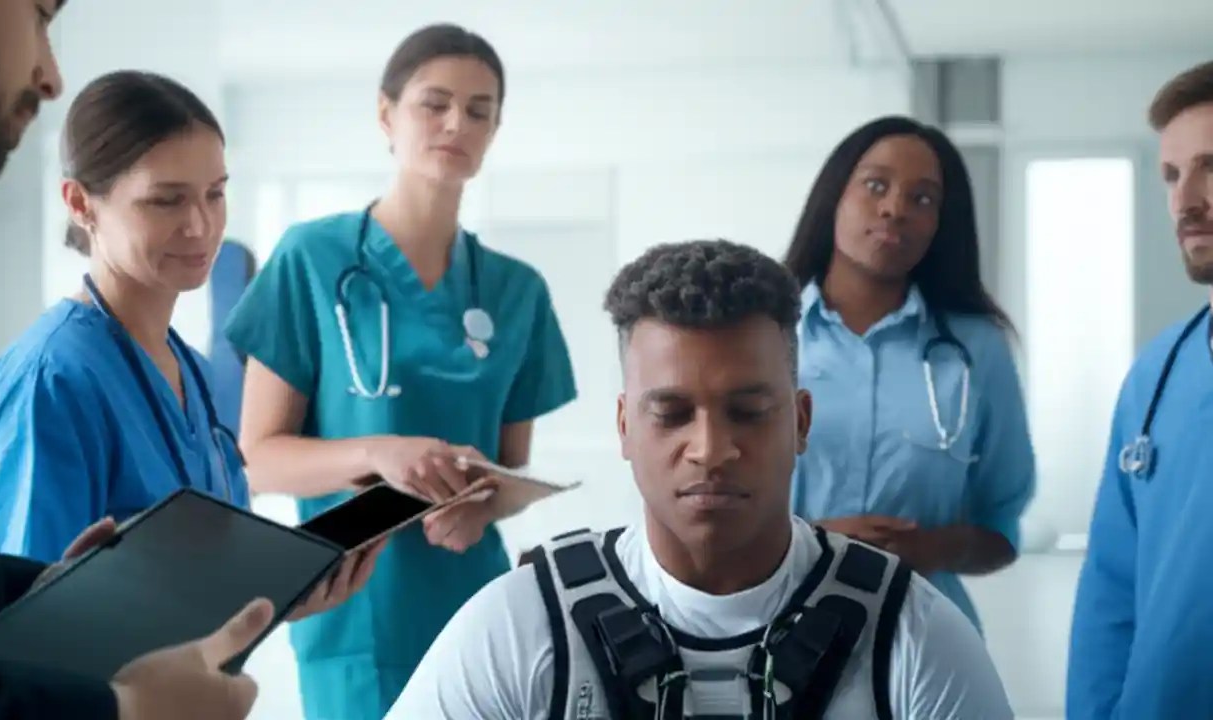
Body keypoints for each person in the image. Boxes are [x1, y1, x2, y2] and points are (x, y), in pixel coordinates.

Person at [386, 239, 1014, 719]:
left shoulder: (912, 636)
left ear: (799, 422)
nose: (711, 450)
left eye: (747, 412)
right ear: (626, 427)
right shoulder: (519, 625)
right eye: (671, 414)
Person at [0, 1, 285, 718]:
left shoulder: (191, 372)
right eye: (165, 201)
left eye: (216, 195)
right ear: (81, 204)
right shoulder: (53, 377)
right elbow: (10, 645)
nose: (200, 226)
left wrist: (281, 595)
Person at [223, 23, 578, 719]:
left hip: (477, 598)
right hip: (356, 605)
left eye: (480, 110)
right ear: (386, 114)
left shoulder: (518, 291)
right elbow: (257, 461)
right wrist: (377, 452)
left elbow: (511, 473)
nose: (457, 123)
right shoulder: (311, 259)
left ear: (496, 129)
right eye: (434, 102)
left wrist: (485, 504)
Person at [782, 116, 1035, 630]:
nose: (895, 208)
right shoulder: (764, 337)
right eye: (876, 185)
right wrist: (810, 542)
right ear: (835, 194)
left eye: (923, 199)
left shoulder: (977, 350)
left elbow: (1000, 532)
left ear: (942, 224)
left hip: (926, 636)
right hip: (781, 631)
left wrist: (933, 546)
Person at [1066, 60, 1213, 718]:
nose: (1186, 201)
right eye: (1173, 176)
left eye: (1212, 167)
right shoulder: (1156, 376)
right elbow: (1110, 596)